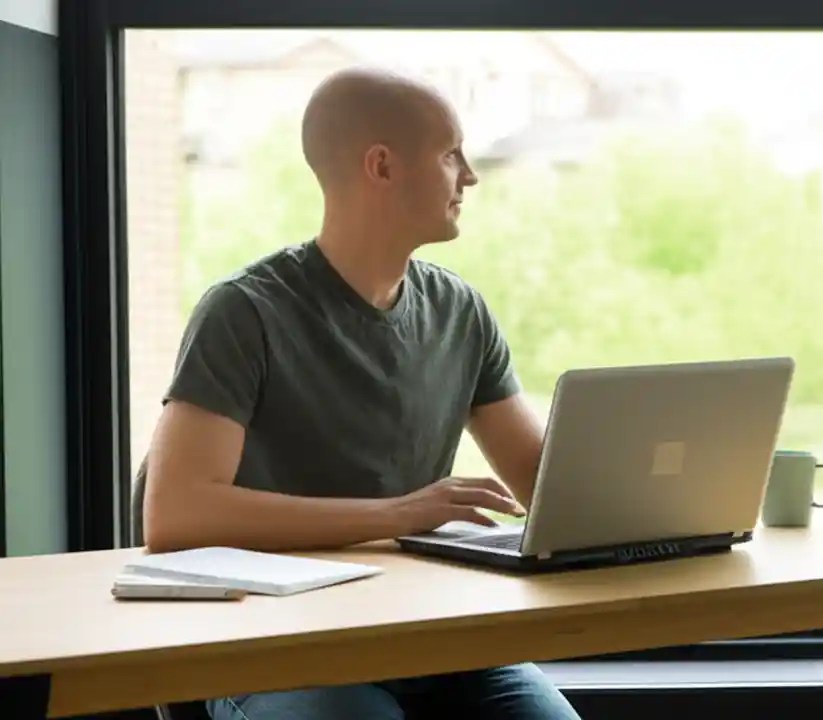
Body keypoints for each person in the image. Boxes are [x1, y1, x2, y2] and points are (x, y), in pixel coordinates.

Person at [134, 67, 581, 720]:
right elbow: (175, 515)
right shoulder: (244, 313)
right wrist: (400, 514)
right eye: (451, 154)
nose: (471, 176)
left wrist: (663, 490)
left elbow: (547, 487)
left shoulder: (460, 311)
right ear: (382, 166)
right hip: (274, 653)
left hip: (435, 640)